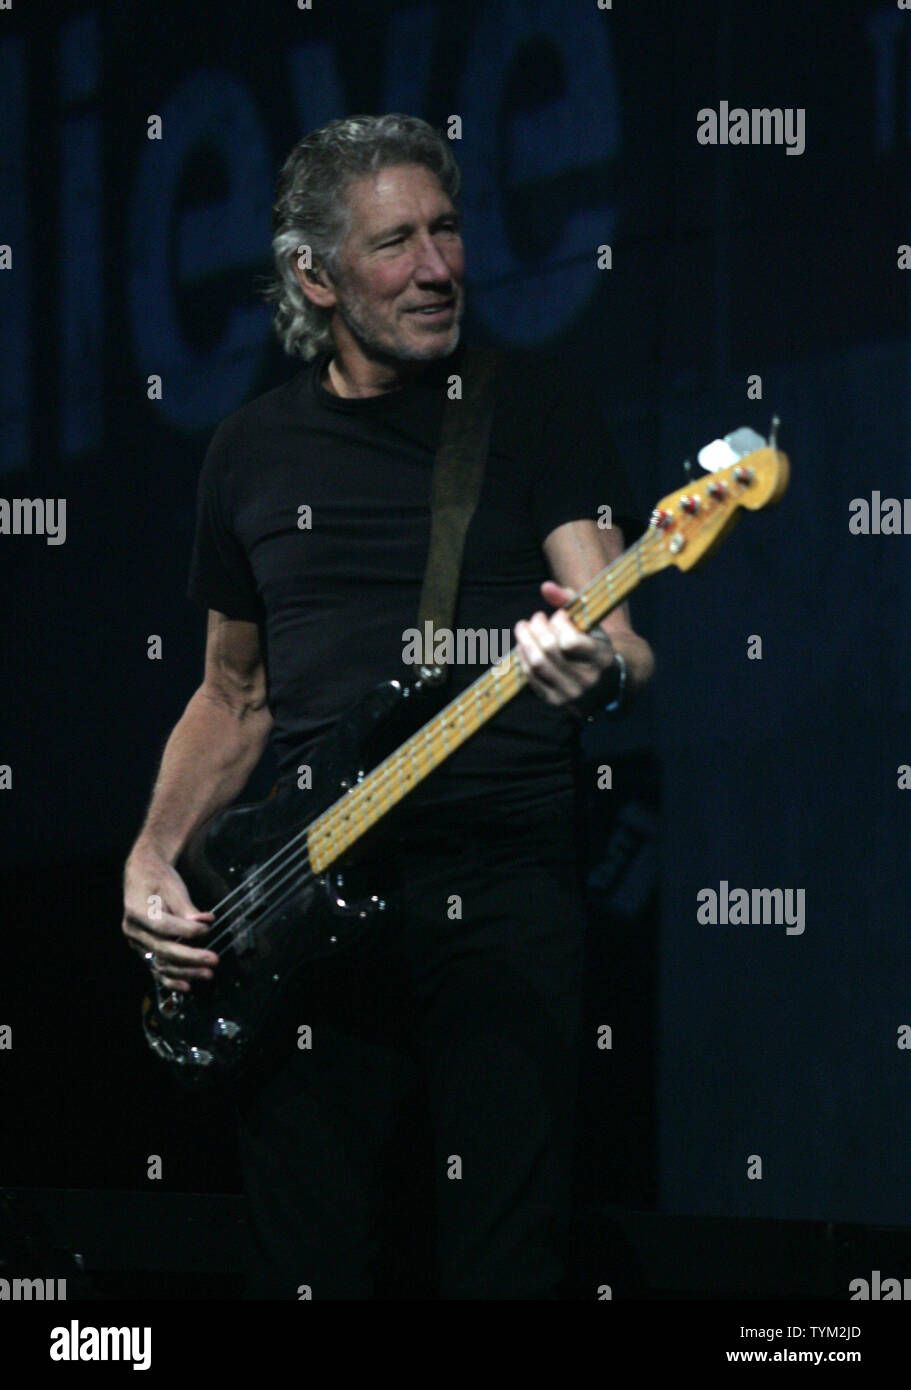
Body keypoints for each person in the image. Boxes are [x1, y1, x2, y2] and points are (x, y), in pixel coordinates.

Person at [121, 113, 655, 1299]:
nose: (437, 267)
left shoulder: (532, 407)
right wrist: (155, 851)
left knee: (500, 1265)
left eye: (449, 229)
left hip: (501, 891)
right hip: (300, 905)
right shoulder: (249, 451)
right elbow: (231, 692)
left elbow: (618, 634)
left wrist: (599, 669)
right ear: (313, 275)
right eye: (395, 242)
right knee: (305, 1262)